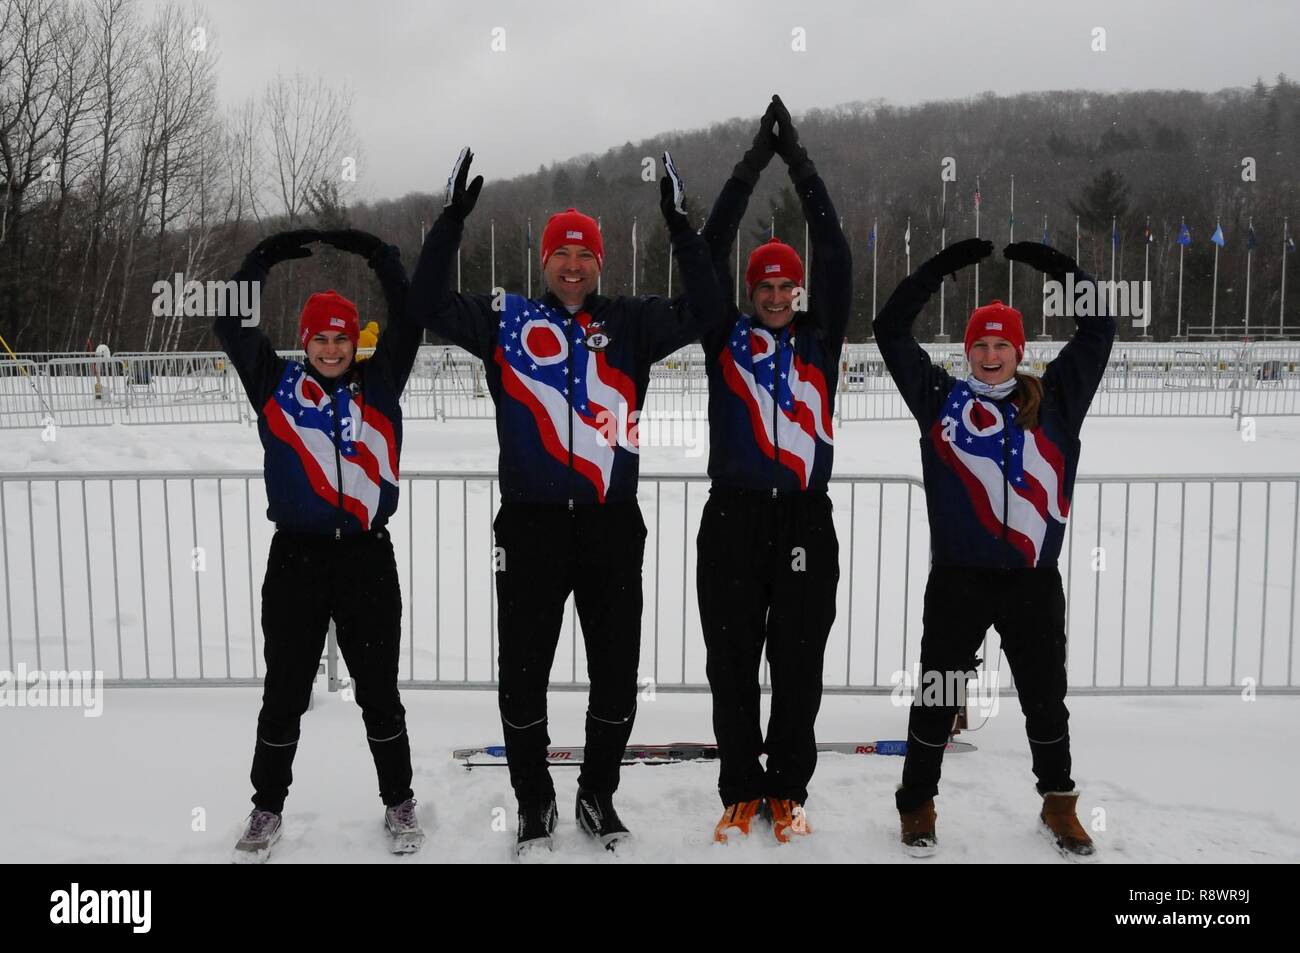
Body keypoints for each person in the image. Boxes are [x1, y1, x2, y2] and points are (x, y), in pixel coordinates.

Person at [406, 149, 723, 855]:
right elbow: (425, 303)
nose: (572, 264)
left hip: (612, 525)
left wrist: (681, 226)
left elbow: (709, 311)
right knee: (522, 675)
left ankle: (597, 795)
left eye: (584, 254)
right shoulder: (507, 321)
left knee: (615, 675)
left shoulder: (634, 323)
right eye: (561, 253)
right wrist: (451, 222)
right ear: (544, 262)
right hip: (529, 526)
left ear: (599, 263)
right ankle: (534, 803)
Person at [872, 238, 1115, 859]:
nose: (989, 354)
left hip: (1032, 581)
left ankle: (1059, 806)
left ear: (1020, 351)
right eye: (979, 344)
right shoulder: (940, 400)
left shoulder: (1056, 399)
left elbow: (1100, 324)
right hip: (958, 579)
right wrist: (939, 267)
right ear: (966, 350)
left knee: (1045, 700)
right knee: (939, 695)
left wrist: (1056, 265)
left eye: (1001, 344)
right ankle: (917, 806)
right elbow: (890, 328)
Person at [213, 228, 425, 861]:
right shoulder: (276, 385)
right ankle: (266, 808)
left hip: (366, 556)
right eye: (320, 338)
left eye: (341, 337)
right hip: (296, 559)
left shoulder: (380, 381)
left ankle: (399, 800)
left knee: (379, 691)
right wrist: (259, 262)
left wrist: (380, 253)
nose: (331, 349)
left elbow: (410, 316)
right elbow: (230, 324)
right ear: (305, 342)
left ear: (354, 340)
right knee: (284, 691)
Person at [675, 95, 851, 843]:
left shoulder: (821, 338)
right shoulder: (725, 335)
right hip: (735, 516)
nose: (778, 297)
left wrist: (801, 164)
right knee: (734, 662)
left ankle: (788, 786)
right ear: (751, 293)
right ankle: (742, 784)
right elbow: (710, 247)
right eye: (766, 288)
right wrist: (752, 161)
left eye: (787, 286)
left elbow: (836, 248)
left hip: (805, 515)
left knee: (799, 660)